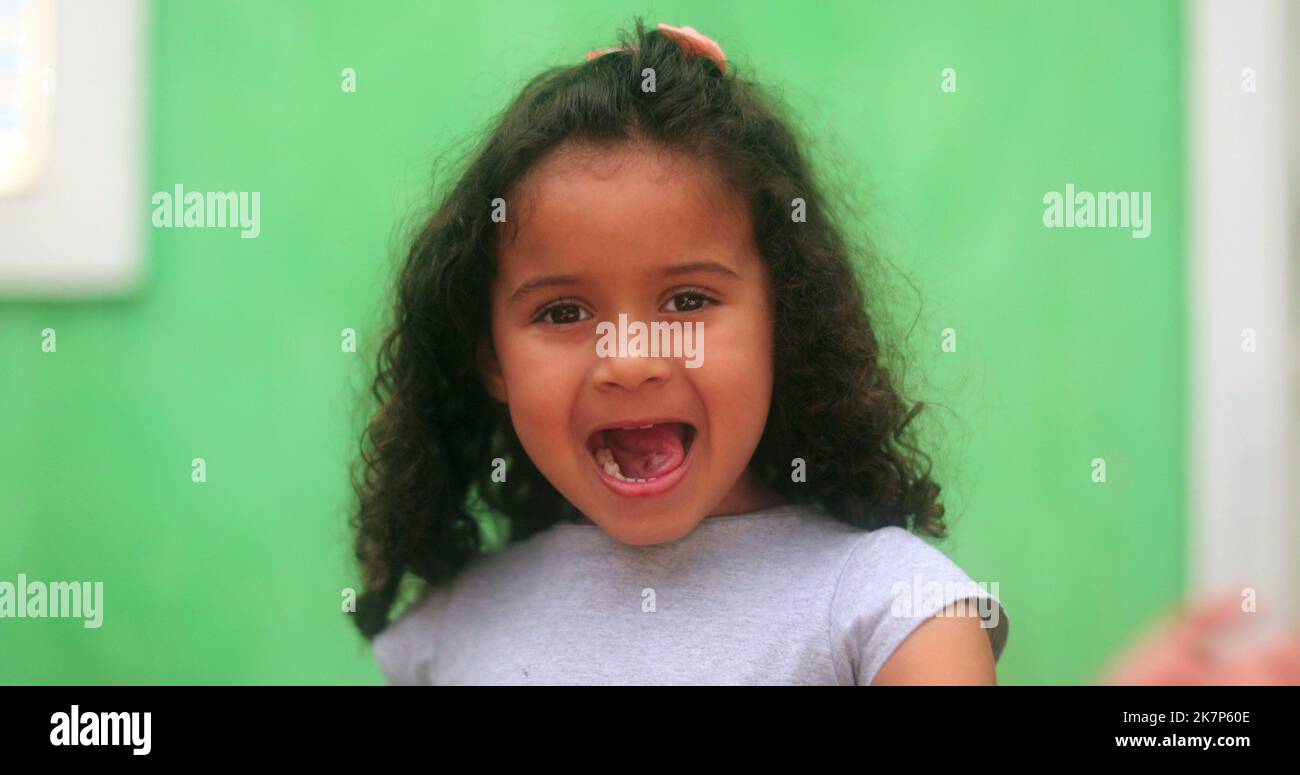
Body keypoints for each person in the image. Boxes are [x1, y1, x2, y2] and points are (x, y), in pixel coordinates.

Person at [351, 18, 1008, 685]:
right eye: (564, 312)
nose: (632, 358)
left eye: (688, 301)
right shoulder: (453, 626)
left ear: (783, 320)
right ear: (490, 357)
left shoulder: (895, 612)